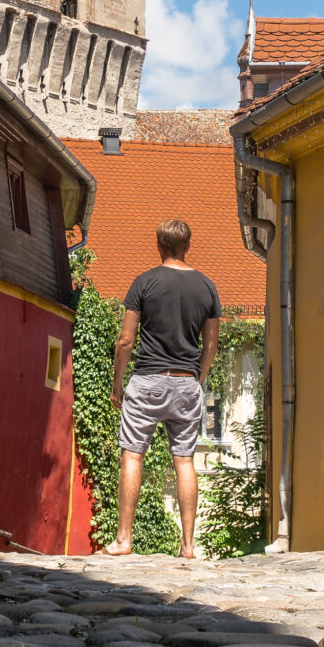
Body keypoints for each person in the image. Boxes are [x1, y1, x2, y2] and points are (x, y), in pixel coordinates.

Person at [106, 217, 221, 558]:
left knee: (132, 454)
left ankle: (124, 540)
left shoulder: (144, 283)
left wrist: (118, 386)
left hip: (147, 381)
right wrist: (197, 378)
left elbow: (125, 340)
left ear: (159, 246)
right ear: (188, 246)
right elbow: (211, 343)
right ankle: (188, 546)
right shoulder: (207, 286)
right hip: (186, 383)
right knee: (184, 460)